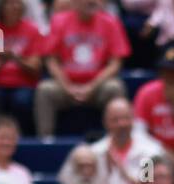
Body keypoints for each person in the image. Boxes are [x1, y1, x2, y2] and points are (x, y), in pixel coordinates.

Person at [35, 0, 130, 137]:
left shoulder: (110, 22)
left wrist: (91, 86)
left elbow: (116, 63)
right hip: (66, 86)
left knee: (115, 88)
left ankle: (116, 141)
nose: (93, 2)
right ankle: (45, 141)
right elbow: (51, 60)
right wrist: (67, 86)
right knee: (45, 90)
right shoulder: (59, 21)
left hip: (97, 87)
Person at [0, 0, 44, 135]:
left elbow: (36, 67)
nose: (15, 6)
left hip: (24, 84)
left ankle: (25, 139)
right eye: (10, 3)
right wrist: (1, 61)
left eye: (18, 3)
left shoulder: (32, 30)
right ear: (0, 7)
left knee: (22, 100)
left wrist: (16, 58)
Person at [91, 98, 166, 184]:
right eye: (115, 120)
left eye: (126, 118)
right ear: (105, 123)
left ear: (133, 120)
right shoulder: (95, 153)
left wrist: (121, 168)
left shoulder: (150, 152)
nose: (122, 124)